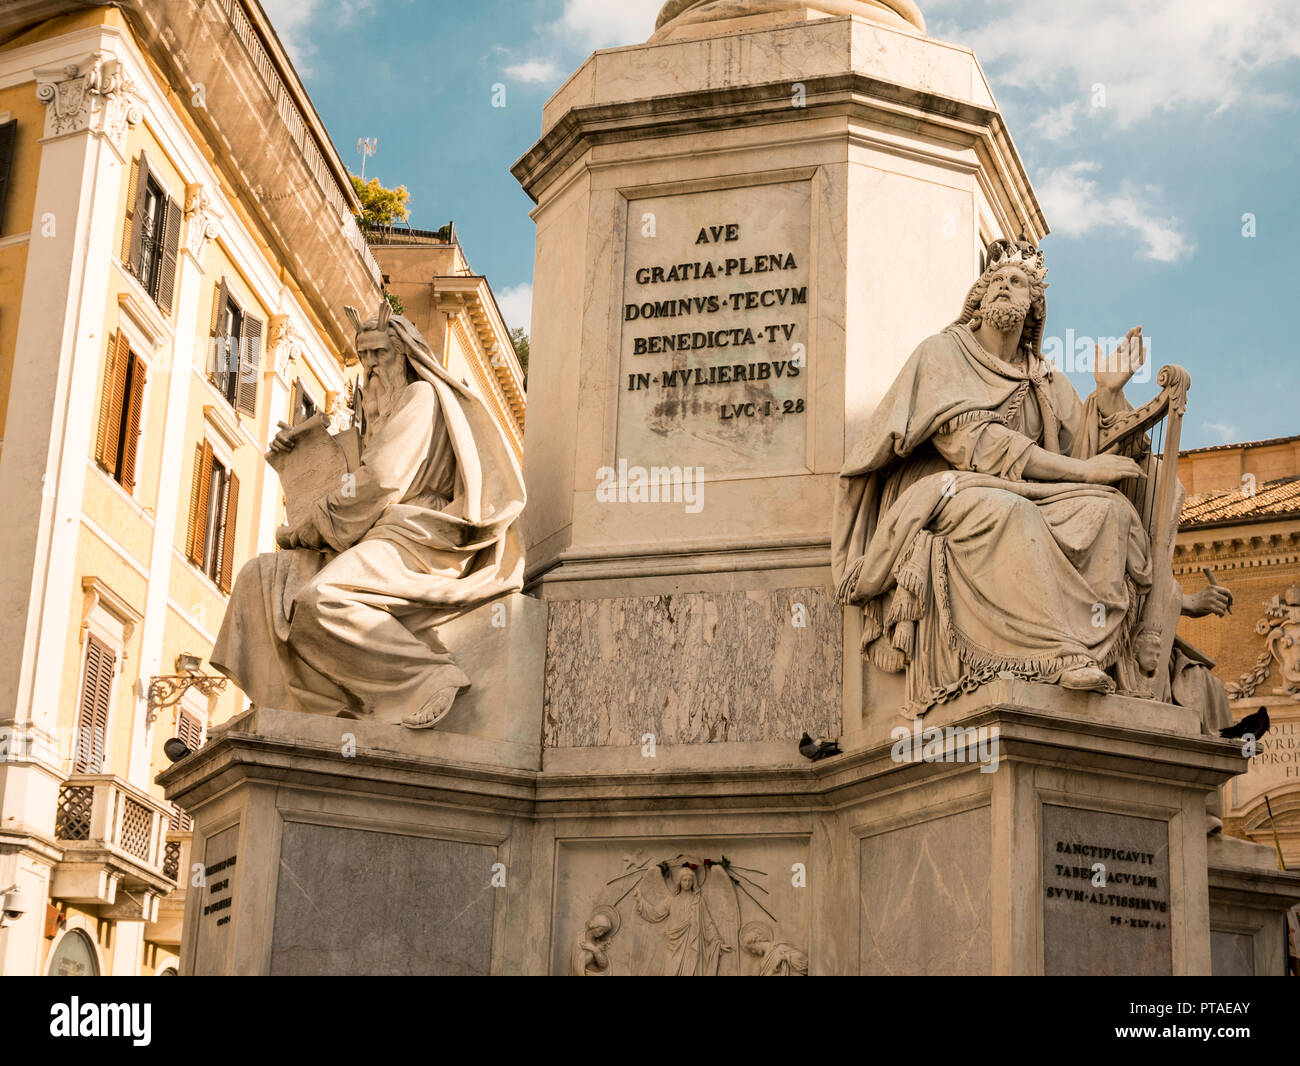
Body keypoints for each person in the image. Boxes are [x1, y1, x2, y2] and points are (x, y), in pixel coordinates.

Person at [833, 237, 1152, 713]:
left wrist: (1107, 397)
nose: (1006, 286)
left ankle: (1094, 651)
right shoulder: (943, 353)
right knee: (1012, 514)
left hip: (1027, 487)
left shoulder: (1043, 376)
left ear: (1032, 308)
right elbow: (976, 446)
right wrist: (1084, 470)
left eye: (1018, 282)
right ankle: (1056, 655)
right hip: (951, 486)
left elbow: (1079, 449)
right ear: (979, 300)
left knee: (1107, 510)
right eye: (997, 281)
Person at [211, 300, 525, 730]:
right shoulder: (380, 416)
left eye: (381, 354)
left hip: (419, 534)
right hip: (373, 533)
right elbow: (351, 475)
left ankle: (429, 676)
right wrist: (305, 453)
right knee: (259, 577)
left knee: (324, 598)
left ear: (406, 355)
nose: (372, 366)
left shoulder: (420, 395)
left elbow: (380, 480)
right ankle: (287, 704)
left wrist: (313, 524)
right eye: (365, 357)